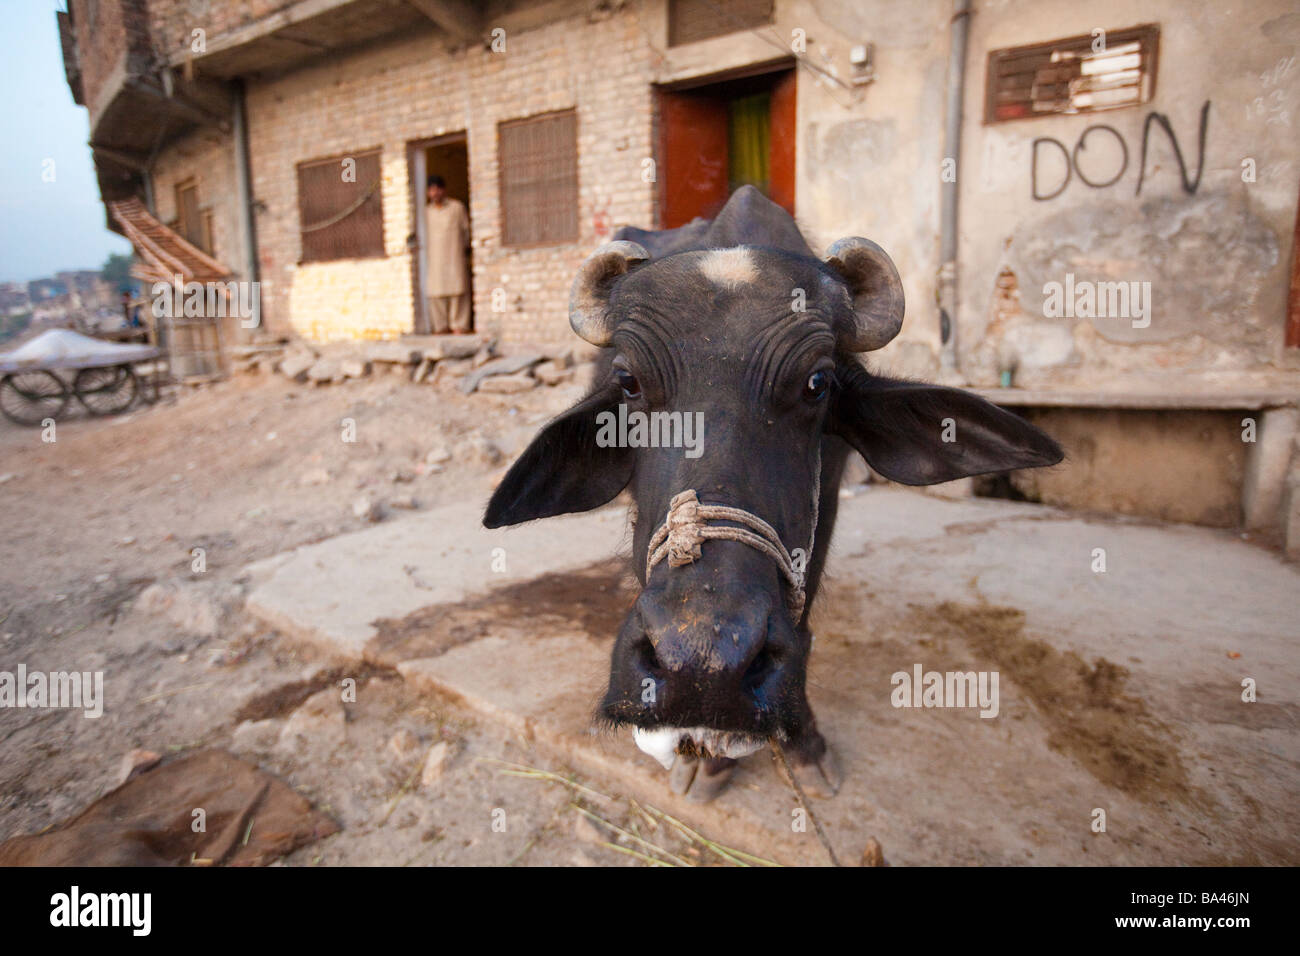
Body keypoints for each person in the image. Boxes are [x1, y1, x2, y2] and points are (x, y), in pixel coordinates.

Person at [424, 175, 471, 333]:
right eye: (431, 189)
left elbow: (466, 232)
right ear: (427, 192)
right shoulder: (426, 212)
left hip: (454, 254)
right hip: (434, 257)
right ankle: (441, 326)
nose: (435, 192)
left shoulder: (457, 208)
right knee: (436, 291)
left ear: (444, 190)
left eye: (438, 188)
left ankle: (459, 325)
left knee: (458, 289)